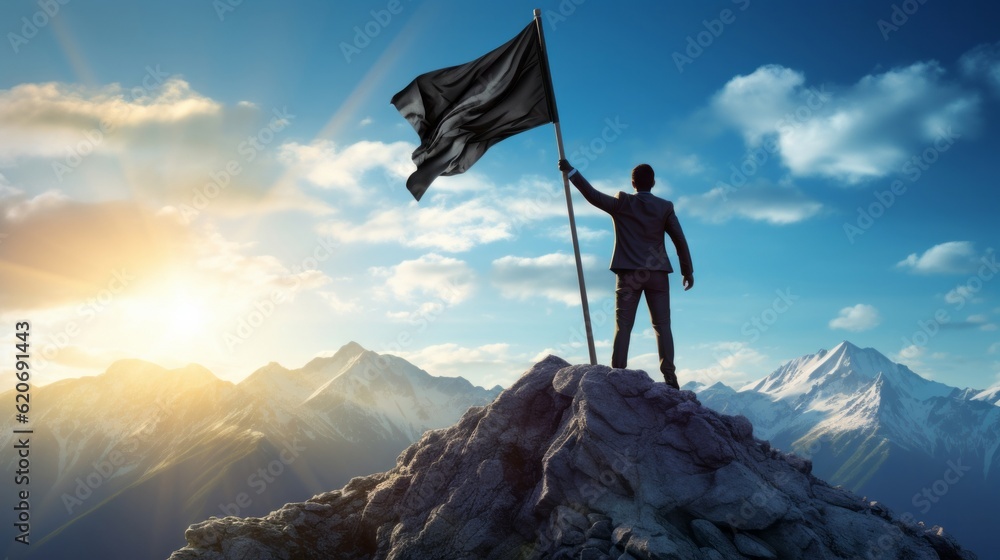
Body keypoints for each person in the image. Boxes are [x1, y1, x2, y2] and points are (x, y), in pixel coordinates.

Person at [558, 159, 693, 389]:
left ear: (633, 183)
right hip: (657, 273)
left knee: (624, 326)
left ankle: (617, 373)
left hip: (629, 273)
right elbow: (679, 239)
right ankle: (670, 377)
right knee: (663, 326)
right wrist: (687, 270)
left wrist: (571, 172)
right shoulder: (665, 207)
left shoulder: (623, 202)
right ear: (653, 183)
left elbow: (592, 195)